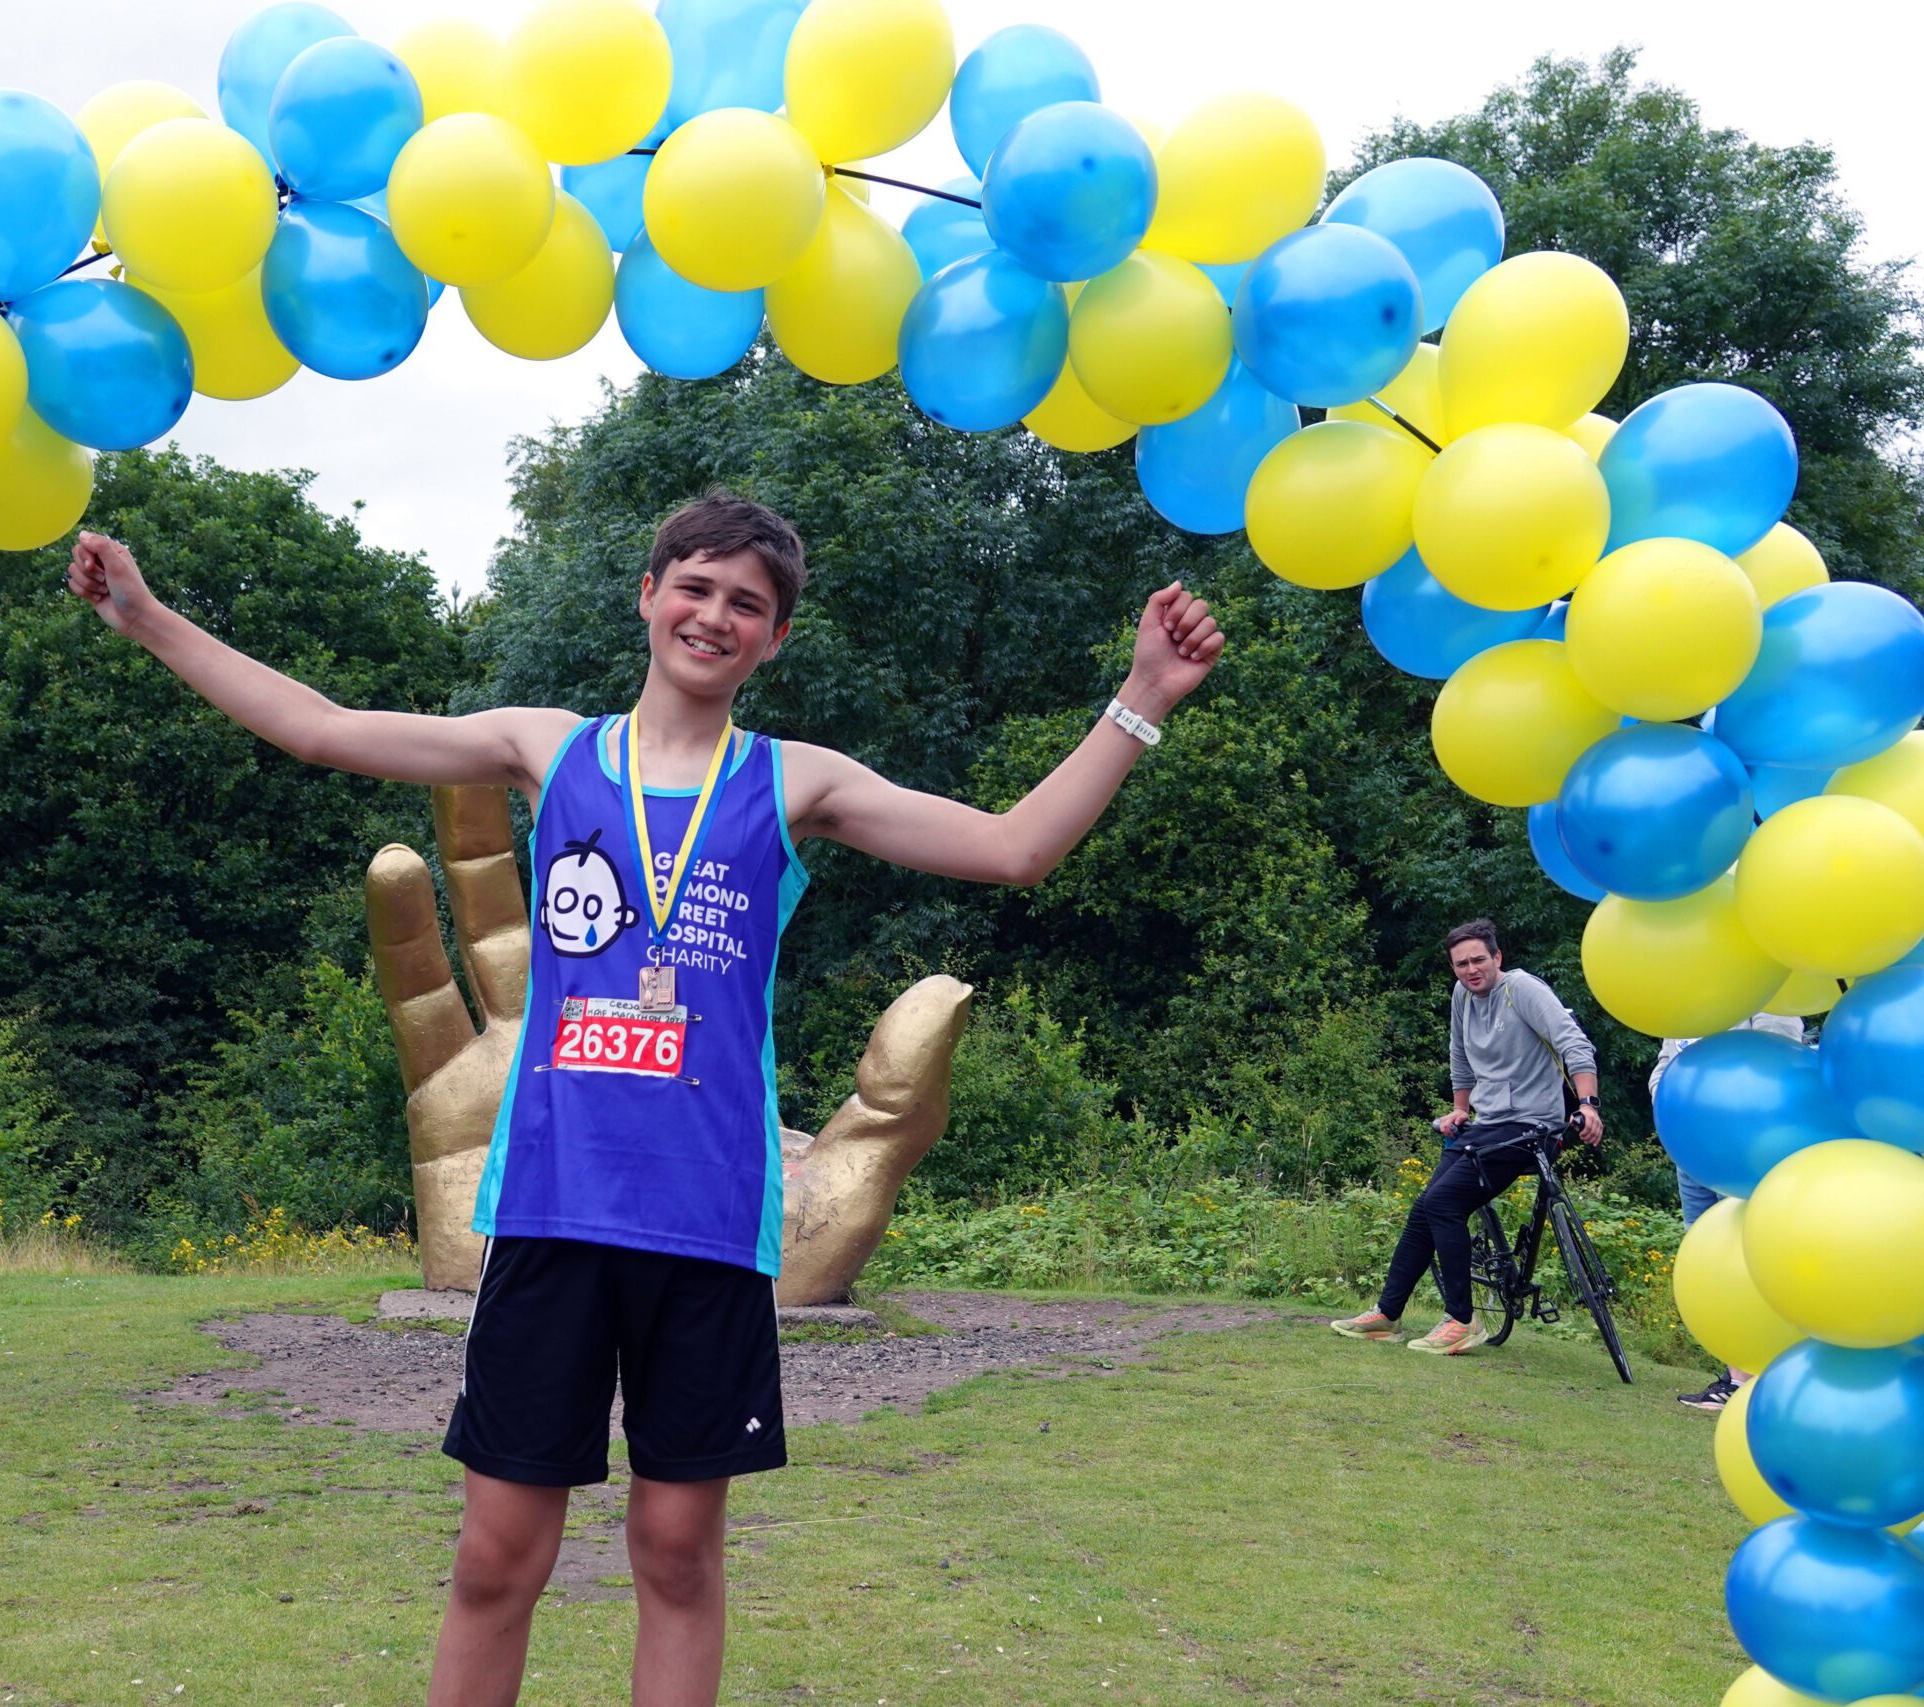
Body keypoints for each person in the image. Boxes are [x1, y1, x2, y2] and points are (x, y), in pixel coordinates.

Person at [64, 494, 1225, 1707]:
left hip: (710, 1229)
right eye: (696, 587)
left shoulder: (795, 783)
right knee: (495, 1557)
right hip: (555, 1219)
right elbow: (320, 728)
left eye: (747, 605)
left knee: (676, 1554)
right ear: (648, 593)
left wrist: (1138, 700)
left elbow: (1011, 847)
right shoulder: (547, 748)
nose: (714, 616)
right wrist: (147, 619)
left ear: (774, 639)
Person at [1331, 919, 1602, 1355]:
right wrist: (1461, 1108)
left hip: (1532, 1128)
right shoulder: (1463, 995)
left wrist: (1588, 1105)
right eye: (1461, 964)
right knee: (1425, 1207)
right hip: (1487, 1126)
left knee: (1443, 1202)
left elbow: (1575, 1045)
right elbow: (1460, 1055)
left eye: (1479, 959)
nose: (1471, 969)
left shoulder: (1523, 990)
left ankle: (1461, 1320)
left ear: (1497, 957)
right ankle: (1388, 1314)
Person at [1651, 1012, 1806, 1412]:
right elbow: (1663, 1069)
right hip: (1691, 1149)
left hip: (1743, 1152)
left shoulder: (1769, 999)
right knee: (1709, 1259)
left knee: (1744, 1257)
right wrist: (1672, 1106)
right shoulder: (1687, 1001)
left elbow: (1780, 1066)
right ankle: (1733, 1378)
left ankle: (1754, 1378)